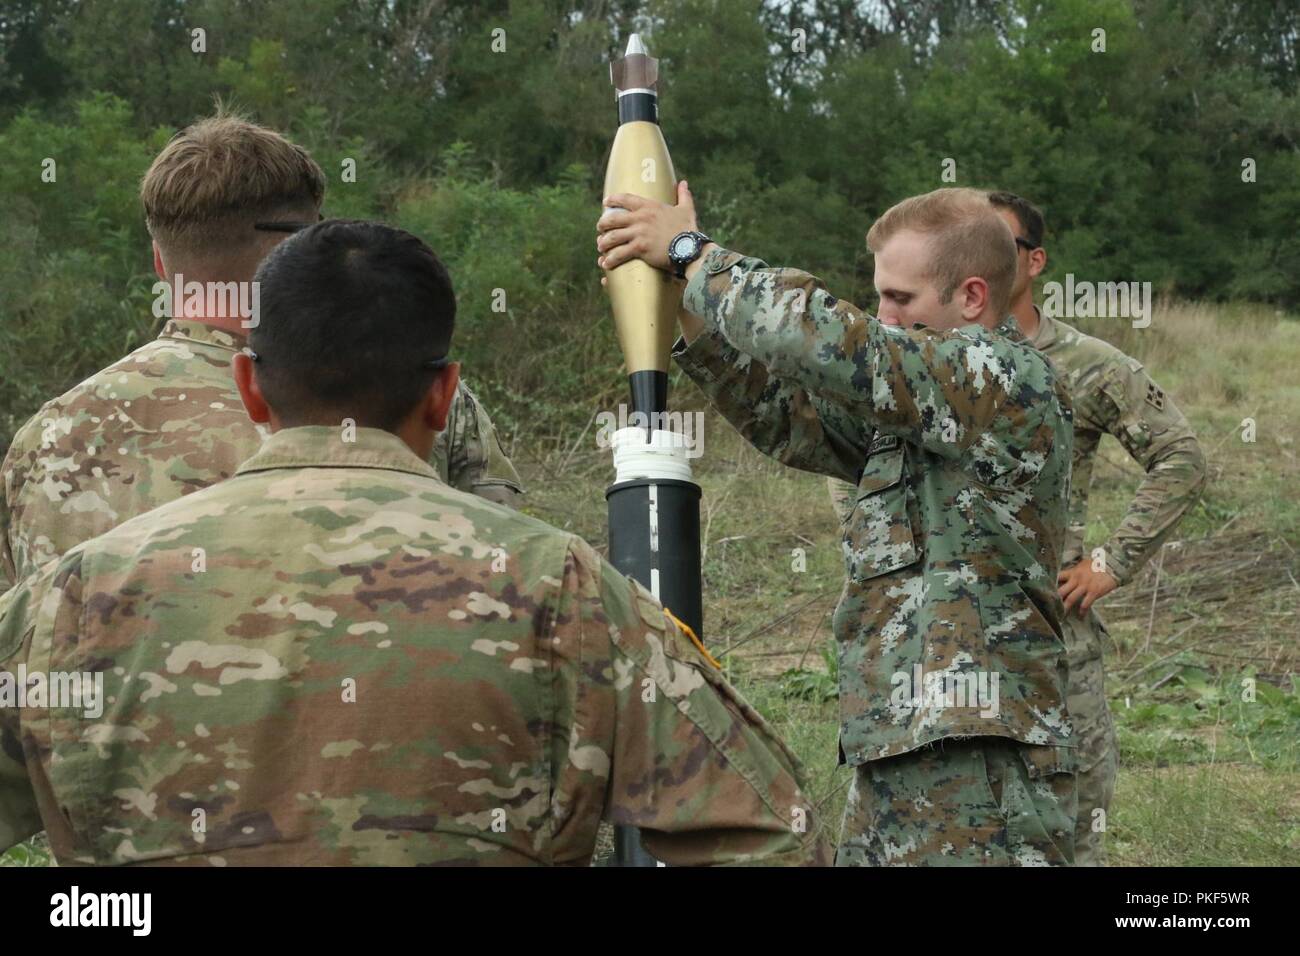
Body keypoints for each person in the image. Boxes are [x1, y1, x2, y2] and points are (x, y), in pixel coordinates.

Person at [0, 220, 828, 867]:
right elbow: (776, 833)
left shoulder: (73, 597)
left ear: (249, 385)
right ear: (444, 395)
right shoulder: (561, 588)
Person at [598, 185, 1077, 865]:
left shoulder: (1005, 380)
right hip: (896, 745)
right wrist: (679, 310)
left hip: (983, 756)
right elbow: (784, 416)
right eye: (878, 295)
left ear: (972, 298)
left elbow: (838, 346)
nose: (882, 315)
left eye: (901, 299)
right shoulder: (919, 409)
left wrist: (692, 255)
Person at [0, 110, 521, 593]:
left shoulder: (47, 436)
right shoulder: (414, 394)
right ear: (310, 248)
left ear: (161, 261)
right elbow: (509, 585)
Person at [986, 190, 1207, 864]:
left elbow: (1181, 457)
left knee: (1075, 826)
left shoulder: (1085, 364)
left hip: (1055, 639)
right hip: (951, 639)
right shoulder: (925, 358)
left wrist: (1112, 561)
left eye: (1000, 247)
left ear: (1035, 261)